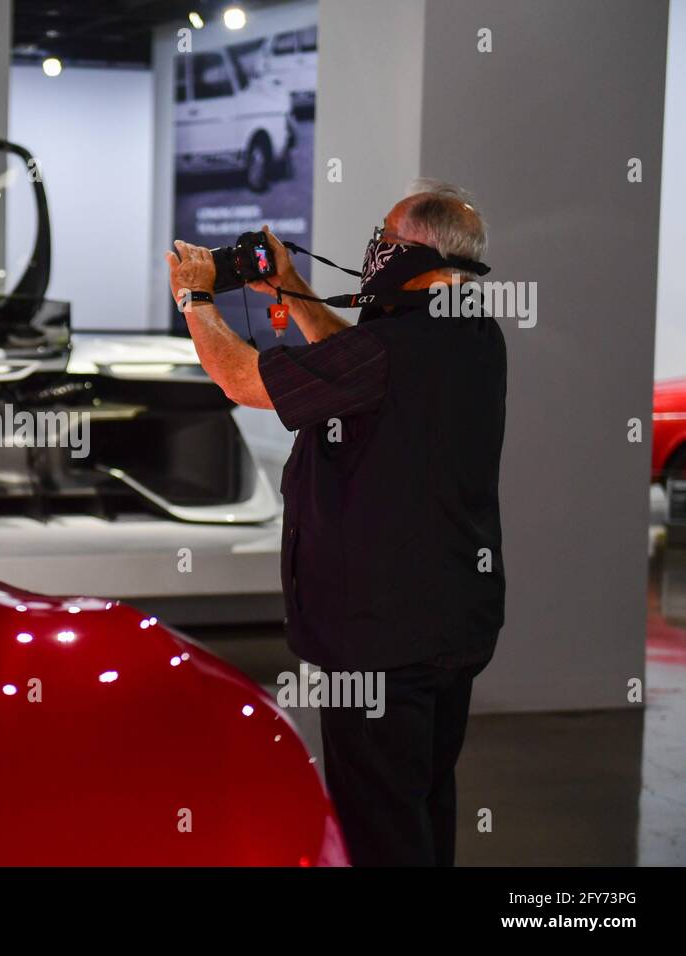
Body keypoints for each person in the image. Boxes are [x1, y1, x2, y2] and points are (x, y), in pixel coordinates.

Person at [166, 180, 506, 866]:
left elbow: (240, 379)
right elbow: (351, 365)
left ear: (415, 250)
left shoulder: (387, 350)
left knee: (377, 820)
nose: (374, 250)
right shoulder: (473, 332)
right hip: (451, 624)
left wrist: (196, 297)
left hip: (381, 636)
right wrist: (290, 288)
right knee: (423, 799)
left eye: (384, 239)